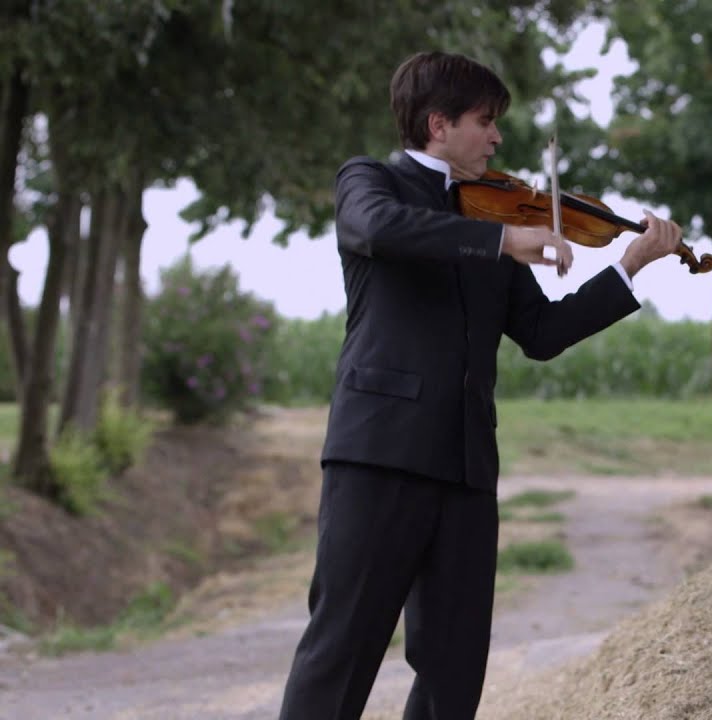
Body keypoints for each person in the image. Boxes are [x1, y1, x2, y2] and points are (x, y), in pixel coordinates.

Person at [277, 50, 685, 720]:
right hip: (379, 455)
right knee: (342, 649)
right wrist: (500, 241)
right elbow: (378, 229)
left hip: (466, 468)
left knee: (454, 666)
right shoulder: (371, 181)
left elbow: (542, 333)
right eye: (485, 121)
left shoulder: (495, 211)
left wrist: (629, 267)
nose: (497, 138)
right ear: (439, 124)